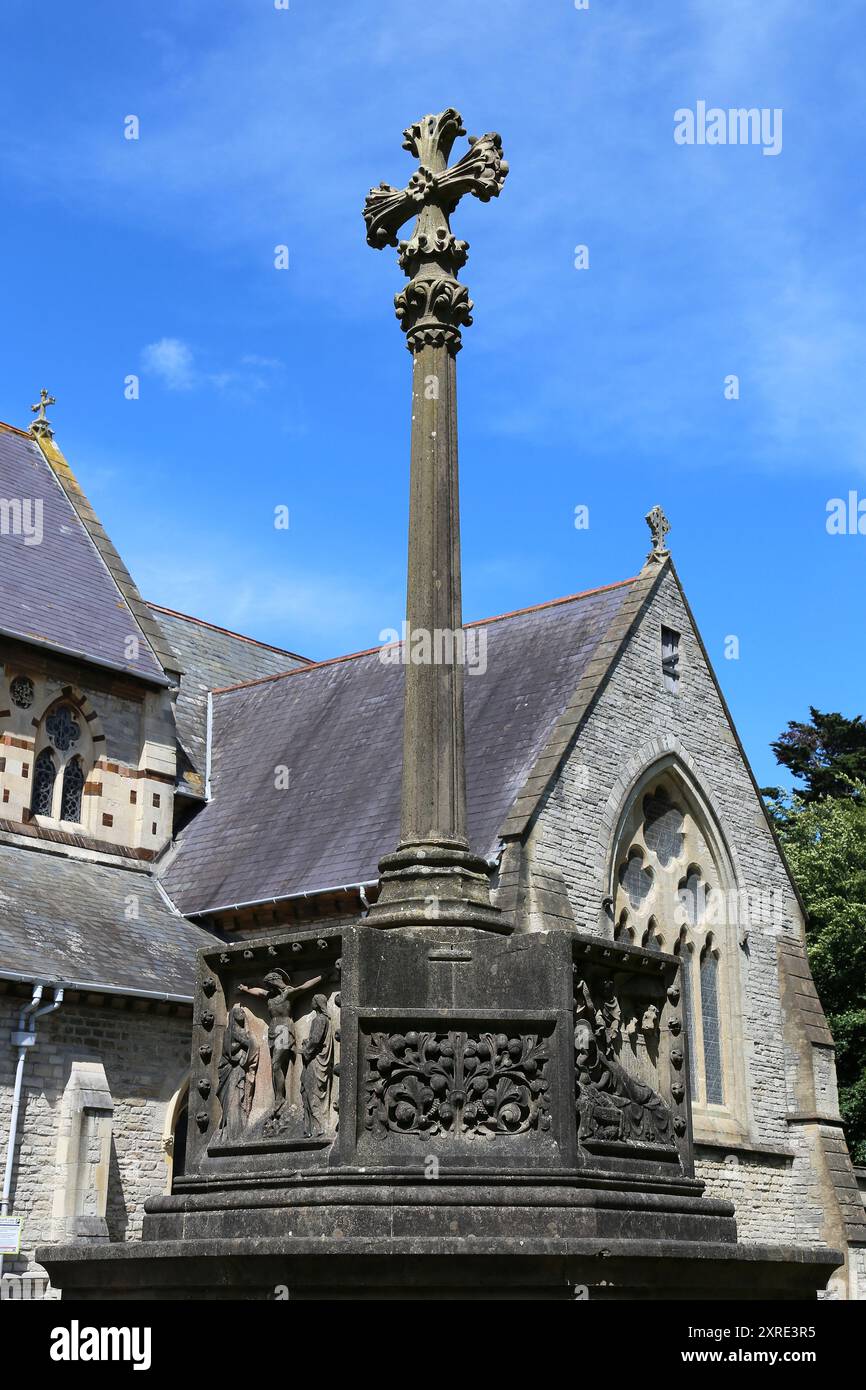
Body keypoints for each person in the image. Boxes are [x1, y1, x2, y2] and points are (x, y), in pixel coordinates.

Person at [238, 969, 322, 1116]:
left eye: (270, 984)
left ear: (275, 982)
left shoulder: (288, 994)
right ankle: (279, 1096)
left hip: (284, 1030)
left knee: (276, 1064)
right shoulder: (270, 997)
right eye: (267, 985)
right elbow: (259, 992)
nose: (268, 987)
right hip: (273, 1031)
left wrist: (322, 977)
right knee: (275, 1065)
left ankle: (280, 1098)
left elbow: (304, 987)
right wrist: (246, 990)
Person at [216, 1005, 259, 1142]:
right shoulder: (230, 1032)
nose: (241, 1014)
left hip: (238, 1070)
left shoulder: (241, 1032)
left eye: (242, 1012)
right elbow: (229, 1051)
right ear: (232, 1016)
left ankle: (237, 1132)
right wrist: (243, 1042)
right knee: (232, 1102)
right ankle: (232, 1134)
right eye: (238, 1012)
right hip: (230, 1071)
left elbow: (251, 1045)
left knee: (238, 1100)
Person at [301, 994, 334, 1138]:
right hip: (315, 1060)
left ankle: (319, 1126)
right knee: (306, 1092)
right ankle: (309, 1127)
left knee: (310, 1093)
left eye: (313, 1000)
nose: (311, 1002)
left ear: (317, 1003)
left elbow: (315, 1041)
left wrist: (305, 1050)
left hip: (314, 1062)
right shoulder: (324, 1019)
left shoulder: (319, 1019)